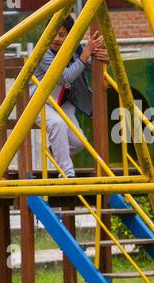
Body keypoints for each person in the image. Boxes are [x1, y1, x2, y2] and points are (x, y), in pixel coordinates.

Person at [36, 16, 105, 177]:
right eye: (53, 33)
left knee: (79, 142)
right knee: (57, 124)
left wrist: (99, 57)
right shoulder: (43, 53)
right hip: (40, 102)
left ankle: (56, 148)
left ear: (70, 36)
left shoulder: (75, 49)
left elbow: (88, 66)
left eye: (61, 35)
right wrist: (87, 52)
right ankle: (67, 174)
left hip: (62, 102)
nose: (56, 39)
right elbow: (65, 77)